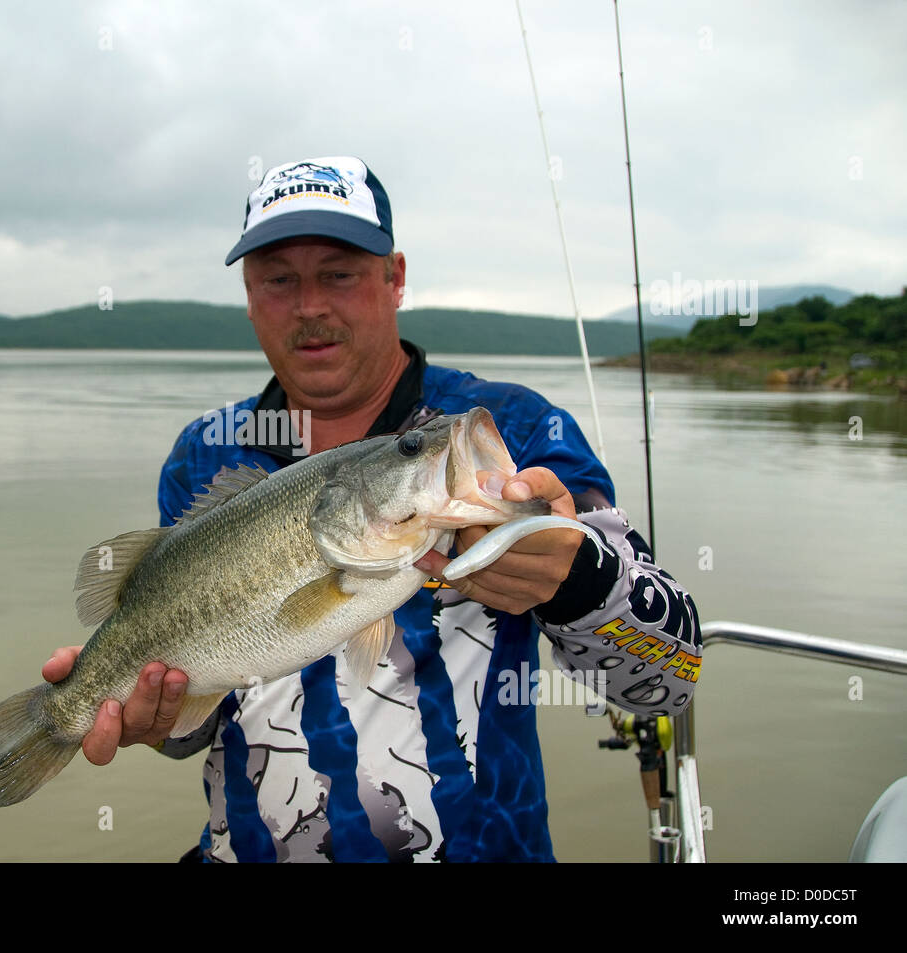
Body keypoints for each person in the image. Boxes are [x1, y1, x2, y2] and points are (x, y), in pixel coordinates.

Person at [43, 155, 703, 862]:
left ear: (395, 278)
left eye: (339, 273)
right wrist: (157, 716)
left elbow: (667, 677)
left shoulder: (517, 432)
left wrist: (577, 579)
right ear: (248, 294)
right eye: (279, 279)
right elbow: (205, 704)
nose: (310, 306)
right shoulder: (206, 455)